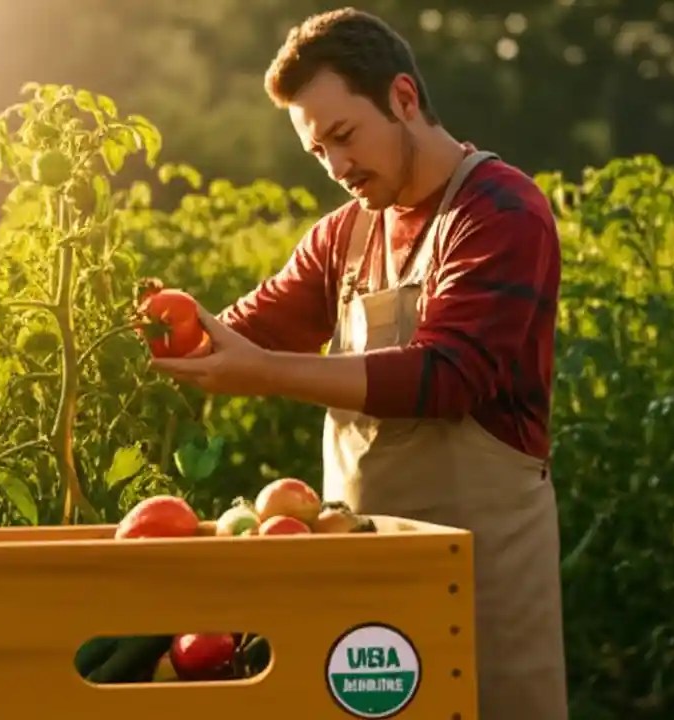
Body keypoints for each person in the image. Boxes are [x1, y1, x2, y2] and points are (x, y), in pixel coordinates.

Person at [150, 7, 569, 720]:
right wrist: (169, 334)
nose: (338, 167)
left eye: (344, 136)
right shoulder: (342, 236)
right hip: (361, 583)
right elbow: (252, 328)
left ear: (404, 98)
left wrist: (266, 373)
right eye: (318, 153)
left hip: (482, 579)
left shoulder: (500, 211)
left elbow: (445, 376)